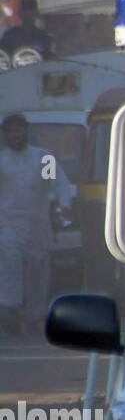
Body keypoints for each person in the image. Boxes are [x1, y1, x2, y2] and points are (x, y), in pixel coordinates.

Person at [0, 113, 72, 337]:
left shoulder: (43, 159)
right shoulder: (2, 160)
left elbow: (59, 184)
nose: (15, 134)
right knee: (10, 268)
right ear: (5, 134)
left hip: (38, 226)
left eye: (19, 129)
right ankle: (9, 311)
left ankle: (34, 316)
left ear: (26, 131)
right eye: (10, 130)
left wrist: (65, 205)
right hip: (9, 224)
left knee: (37, 273)